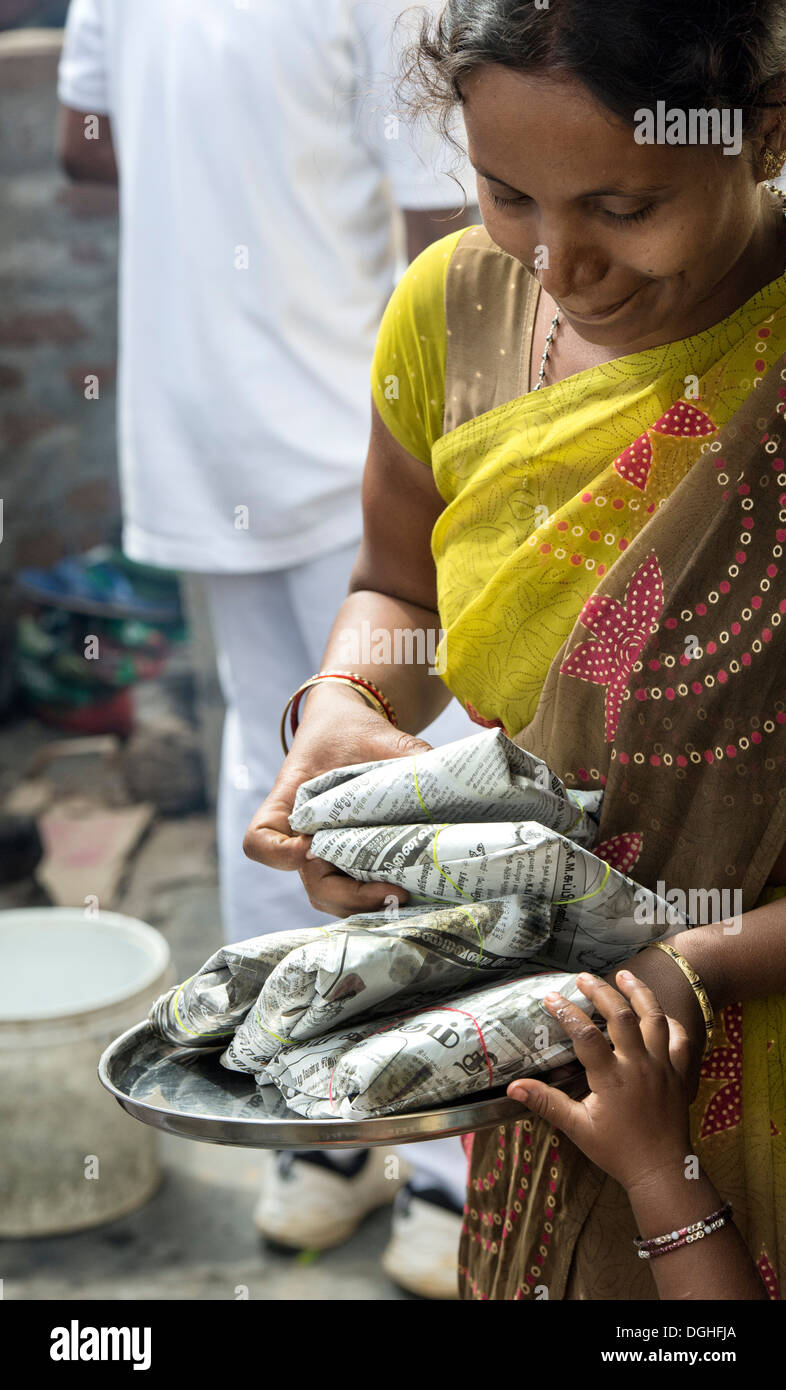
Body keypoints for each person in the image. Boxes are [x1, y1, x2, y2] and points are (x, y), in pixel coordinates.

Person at [245, 0, 786, 1300]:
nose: (558, 260)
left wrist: (674, 965)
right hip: (549, 1045)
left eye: (621, 205)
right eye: (504, 193)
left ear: (762, 134)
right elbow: (393, 582)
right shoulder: (451, 310)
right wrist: (346, 701)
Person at [56, 0, 478, 1299]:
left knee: (339, 773)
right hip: (279, 431)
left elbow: (83, 141)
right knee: (339, 785)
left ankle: (390, 1153)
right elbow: (442, 226)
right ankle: (373, 1144)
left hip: (290, 435)